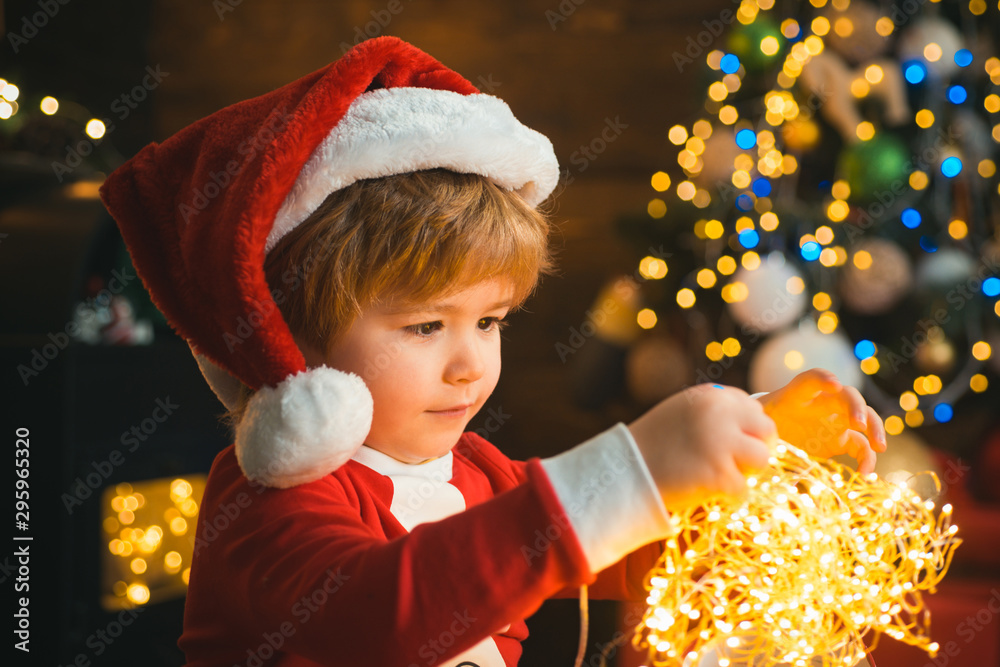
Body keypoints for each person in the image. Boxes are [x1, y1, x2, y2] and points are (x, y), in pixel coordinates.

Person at [99, 36, 886, 667]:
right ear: (294, 341)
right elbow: (387, 615)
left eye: (492, 321)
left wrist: (756, 448)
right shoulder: (266, 501)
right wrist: (634, 469)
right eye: (425, 327)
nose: (469, 362)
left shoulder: (477, 472)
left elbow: (610, 547)